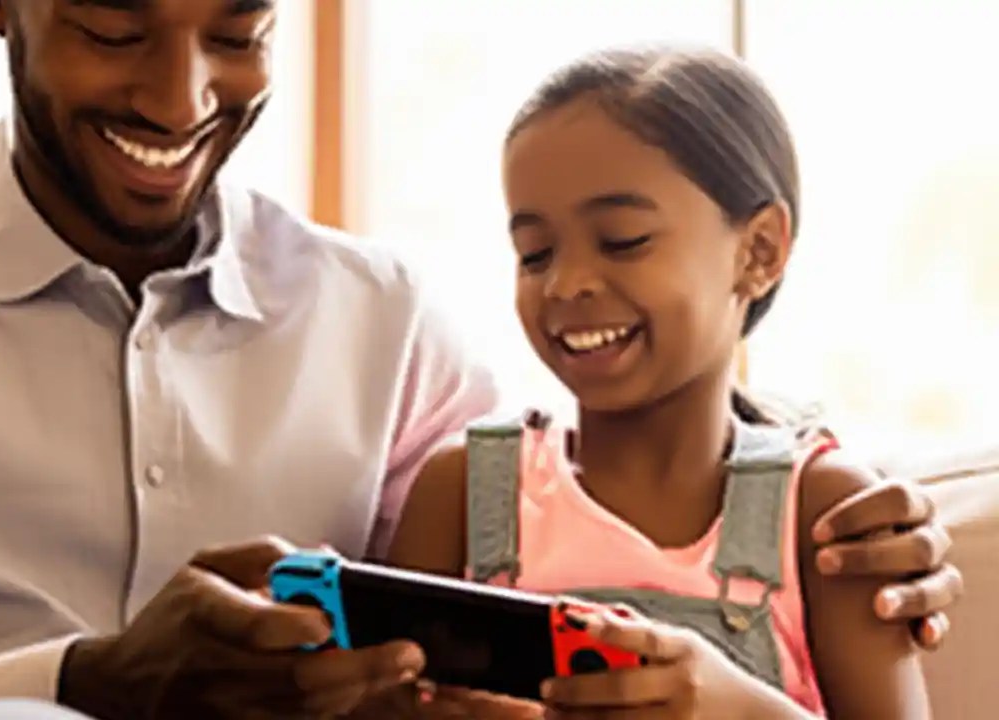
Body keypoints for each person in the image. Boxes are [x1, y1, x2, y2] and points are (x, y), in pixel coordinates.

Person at [0, 2, 960, 718]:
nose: (179, 93)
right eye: (113, 24)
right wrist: (90, 680)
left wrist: (846, 508)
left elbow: (596, 485)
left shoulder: (390, 325)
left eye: (238, 29)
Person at [387, 46, 944, 718]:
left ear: (758, 251)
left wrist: (737, 707)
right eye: (535, 254)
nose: (566, 283)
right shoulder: (462, 494)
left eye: (622, 240)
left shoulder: (824, 514)